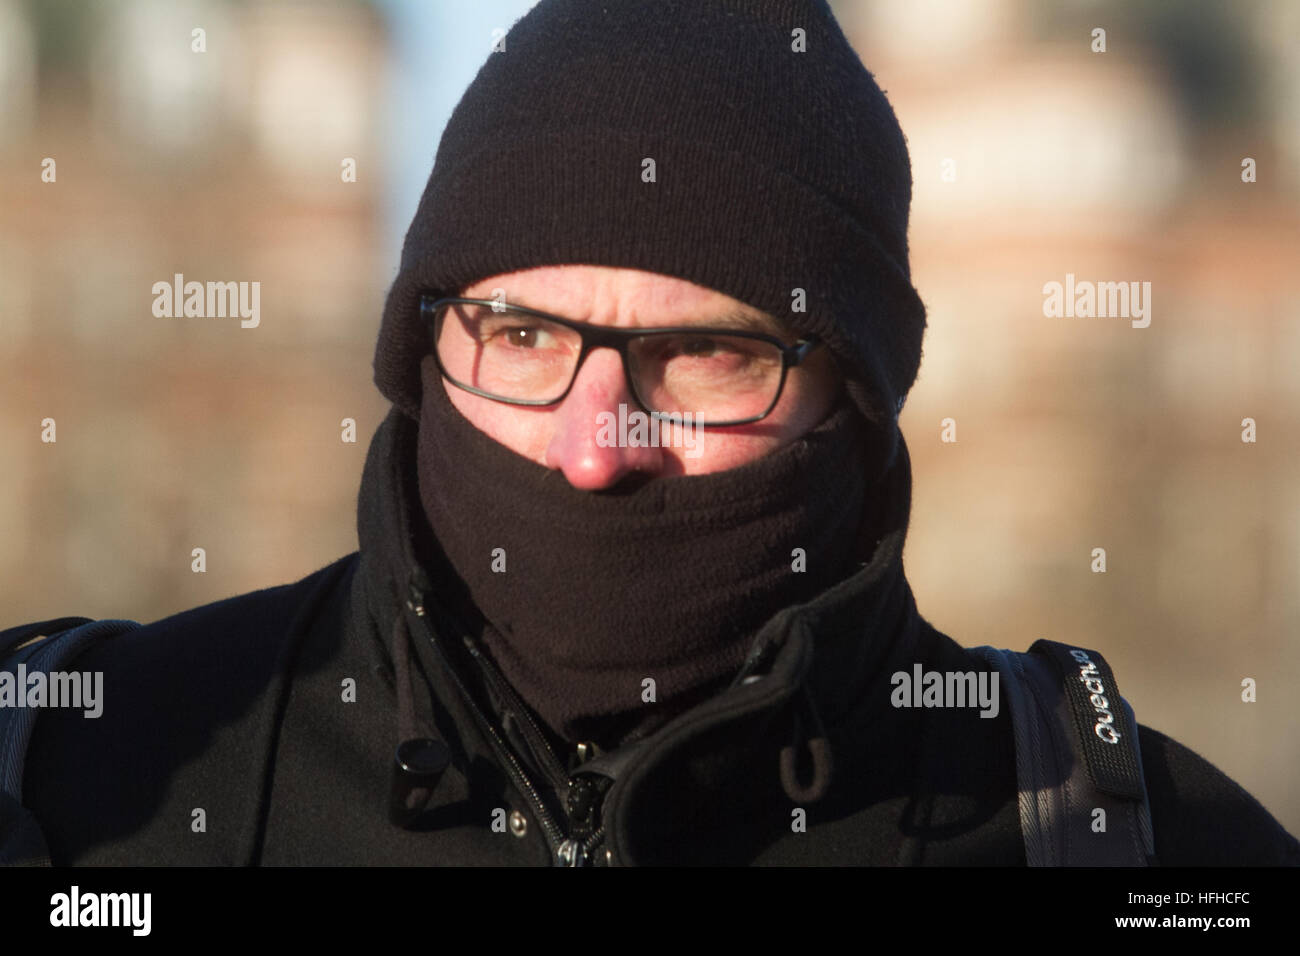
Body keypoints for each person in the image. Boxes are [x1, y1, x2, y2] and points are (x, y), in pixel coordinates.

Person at [4, 0, 1297, 867]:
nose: (593, 446)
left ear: (853, 398)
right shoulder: (81, 776)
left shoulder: (1108, 835)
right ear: (419, 351)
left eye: (708, 356)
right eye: (522, 335)